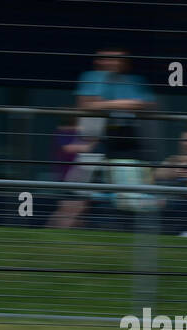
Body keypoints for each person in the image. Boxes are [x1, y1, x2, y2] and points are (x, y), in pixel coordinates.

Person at [49, 49, 156, 229]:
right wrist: (121, 104)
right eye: (108, 59)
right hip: (95, 140)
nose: (113, 63)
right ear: (99, 61)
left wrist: (101, 104)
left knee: (129, 197)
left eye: (118, 59)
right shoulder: (91, 77)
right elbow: (85, 106)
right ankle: (54, 236)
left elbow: (146, 105)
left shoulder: (134, 81)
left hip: (125, 140)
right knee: (76, 195)